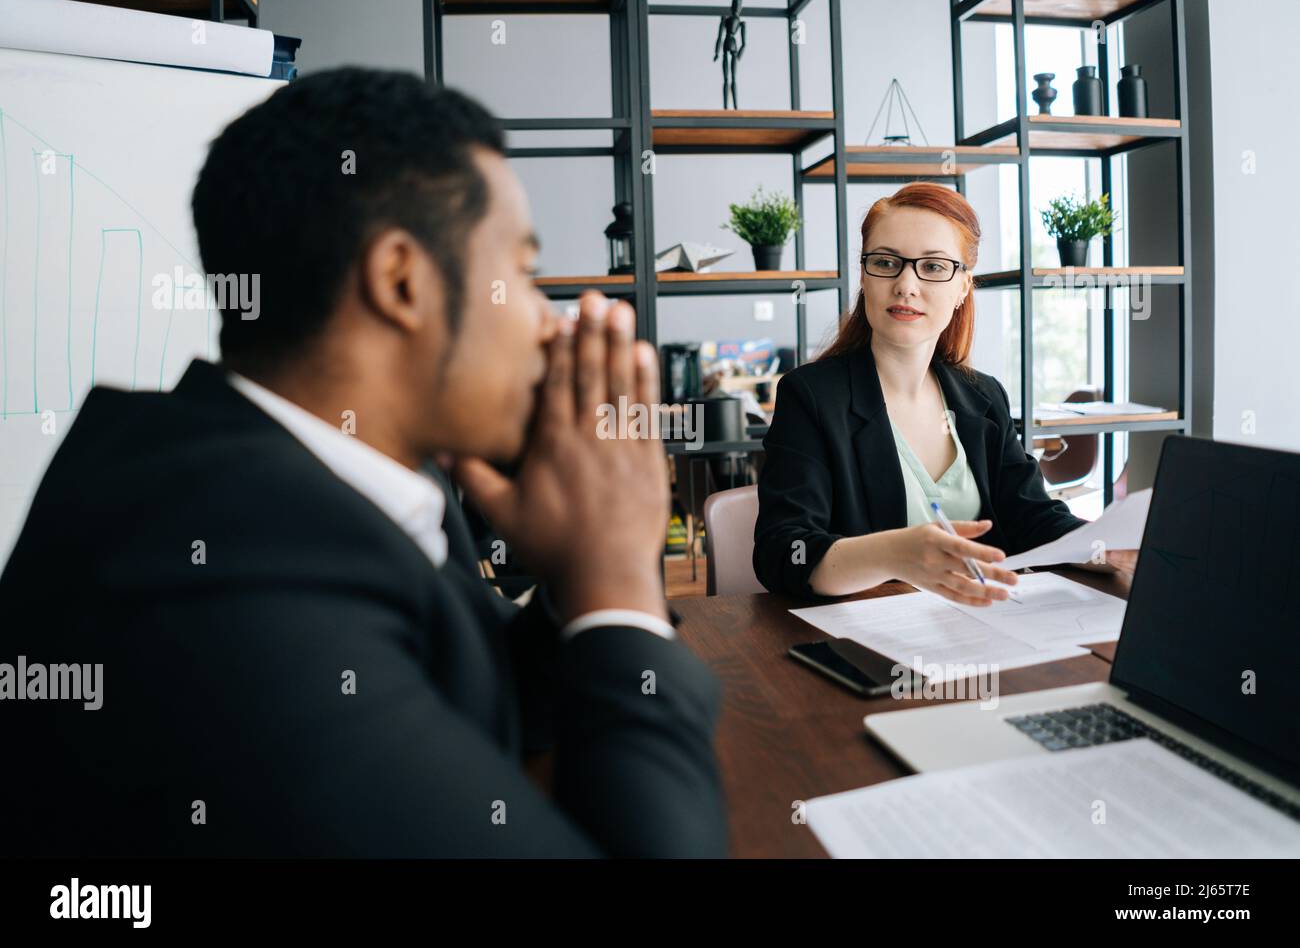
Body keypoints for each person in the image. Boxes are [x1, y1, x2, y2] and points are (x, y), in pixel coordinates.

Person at [0, 69, 726, 857]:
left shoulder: (318, 485)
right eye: (522, 272)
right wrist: (619, 576)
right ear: (402, 281)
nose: (549, 324)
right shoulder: (210, 564)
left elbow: (469, 693)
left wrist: (578, 574)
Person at [754, 182, 1132, 602]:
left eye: (932, 267)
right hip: (867, 638)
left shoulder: (983, 397)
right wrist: (893, 554)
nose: (905, 285)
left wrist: (1108, 548)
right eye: (886, 262)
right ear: (864, 275)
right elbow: (783, 552)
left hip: (983, 627)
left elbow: (1033, 517)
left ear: (963, 287)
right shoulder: (810, 397)